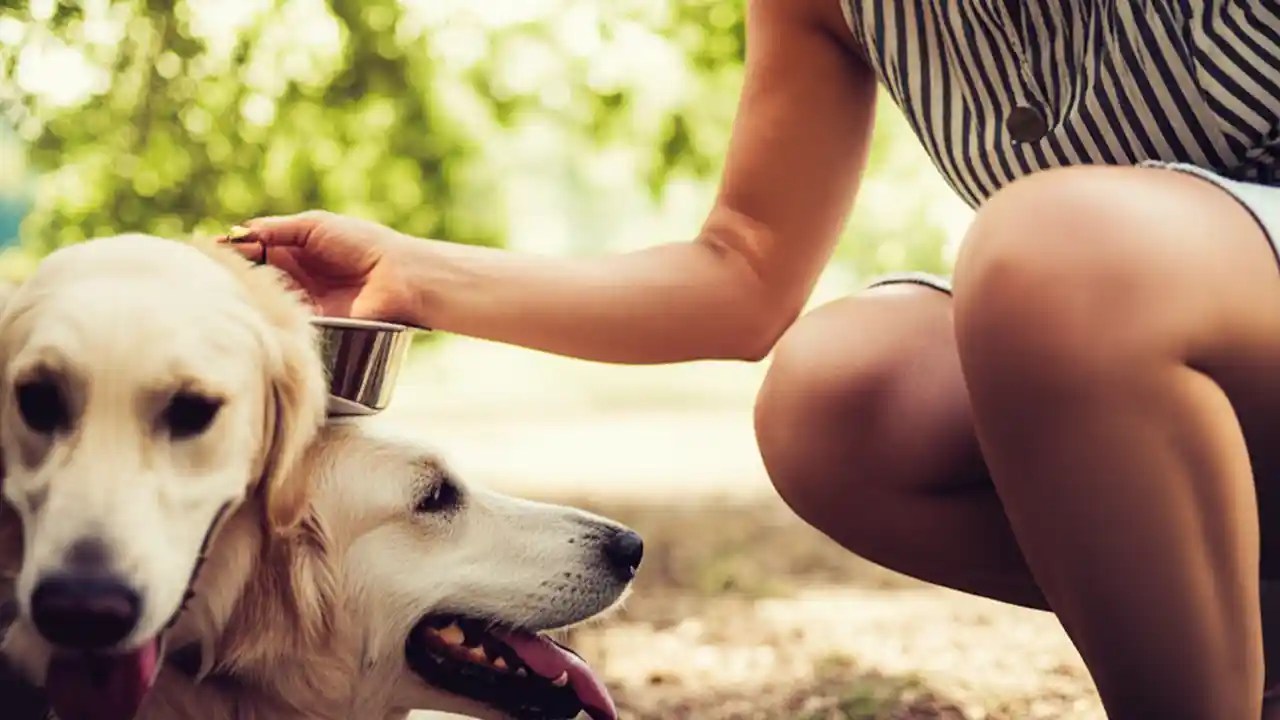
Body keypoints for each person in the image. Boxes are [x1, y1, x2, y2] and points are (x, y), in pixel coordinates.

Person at [221, 1, 1280, 717]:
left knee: (1056, 252)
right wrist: (410, 276)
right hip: (1174, 335)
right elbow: (743, 272)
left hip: (1169, 289)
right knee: (838, 397)